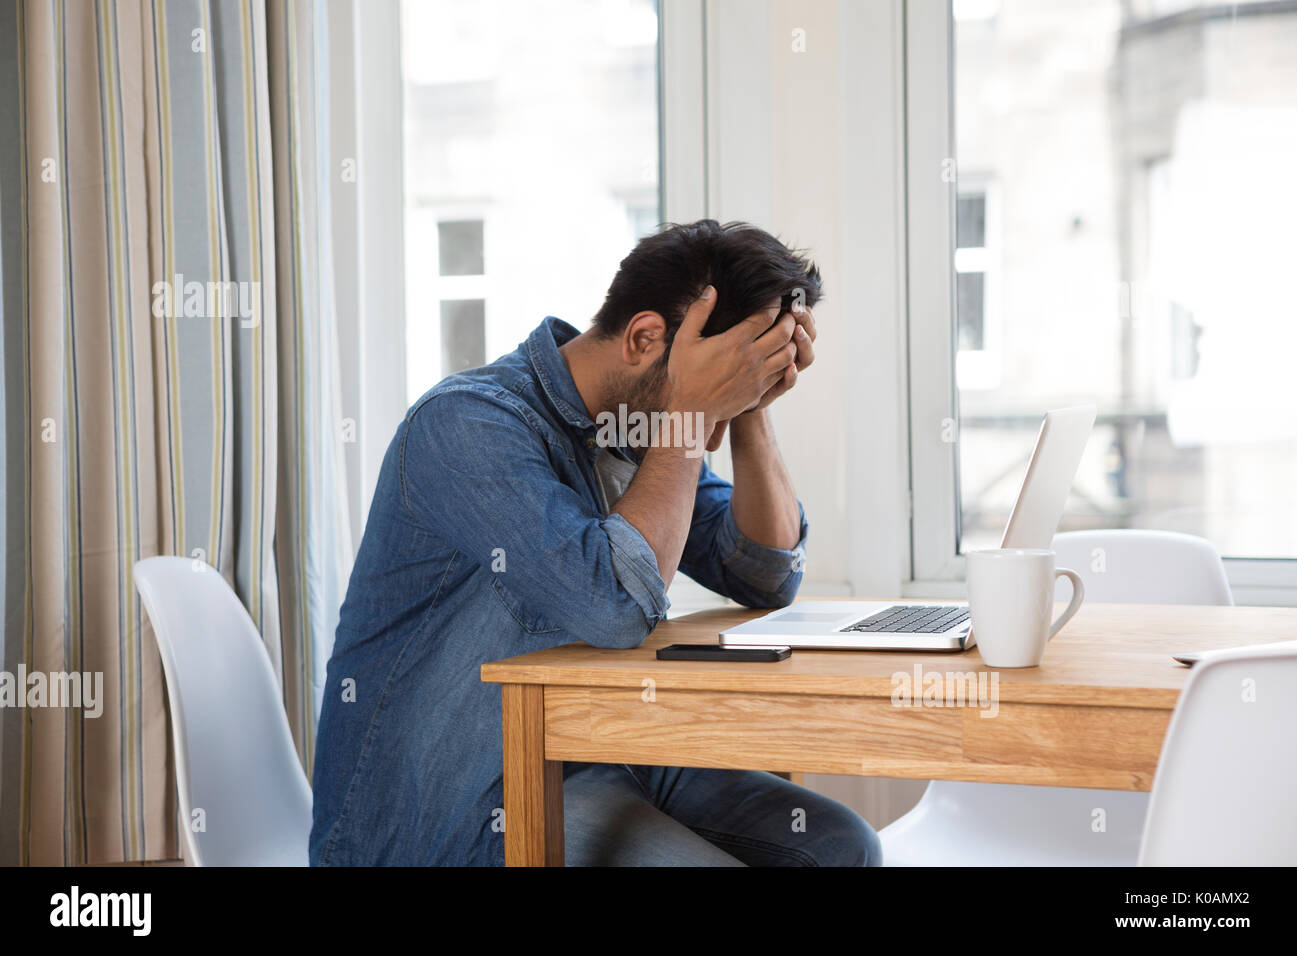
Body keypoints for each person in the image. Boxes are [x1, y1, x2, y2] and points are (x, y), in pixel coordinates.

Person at [310, 220, 882, 866]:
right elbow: (615, 604)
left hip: (602, 756)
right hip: (450, 814)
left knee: (843, 849)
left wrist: (748, 400)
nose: (707, 433)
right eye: (712, 393)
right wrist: (694, 411)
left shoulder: (634, 429)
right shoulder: (466, 426)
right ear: (643, 338)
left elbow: (763, 573)